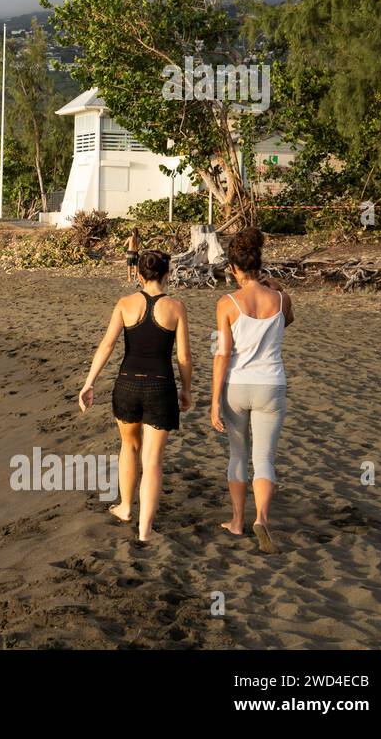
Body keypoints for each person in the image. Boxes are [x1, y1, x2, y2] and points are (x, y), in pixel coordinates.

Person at [78, 250, 192, 544]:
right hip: (160, 387)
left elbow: (107, 345)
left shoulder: (125, 304)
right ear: (168, 274)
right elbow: (184, 357)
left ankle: (126, 507)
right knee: (153, 461)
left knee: (128, 447)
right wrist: (187, 388)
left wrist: (89, 383)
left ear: (139, 275)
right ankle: (145, 531)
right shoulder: (176, 307)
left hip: (127, 385)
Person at [212, 227, 293, 555]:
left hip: (237, 384)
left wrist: (214, 400)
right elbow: (287, 320)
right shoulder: (280, 298)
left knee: (238, 455)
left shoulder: (227, 303)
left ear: (234, 268)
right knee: (264, 459)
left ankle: (236, 520)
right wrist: (278, 289)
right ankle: (261, 518)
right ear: (259, 266)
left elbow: (223, 354)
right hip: (271, 384)